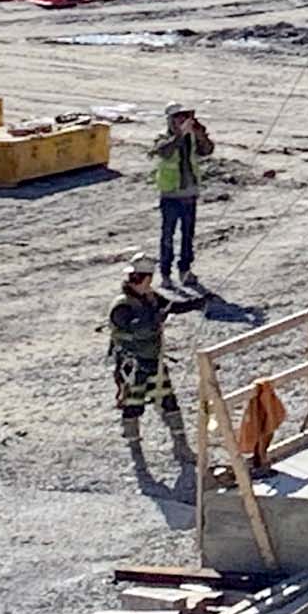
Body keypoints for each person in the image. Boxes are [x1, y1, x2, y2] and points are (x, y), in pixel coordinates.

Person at [151, 106, 214, 287]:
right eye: (178, 117)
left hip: (189, 193)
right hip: (170, 194)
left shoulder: (192, 137)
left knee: (188, 235)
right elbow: (164, 151)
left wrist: (200, 133)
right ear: (170, 120)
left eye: (184, 117)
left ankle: (185, 270)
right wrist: (179, 135)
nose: (182, 120)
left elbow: (207, 150)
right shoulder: (163, 138)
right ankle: (165, 273)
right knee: (167, 236)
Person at [108, 262, 175, 427]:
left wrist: (200, 302)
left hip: (153, 360)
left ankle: (179, 441)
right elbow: (136, 329)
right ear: (145, 279)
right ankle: (133, 443)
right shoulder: (122, 306)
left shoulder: (150, 298)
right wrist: (154, 320)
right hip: (132, 365)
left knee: (168, 402)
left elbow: (170, 306)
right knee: (133, 406)